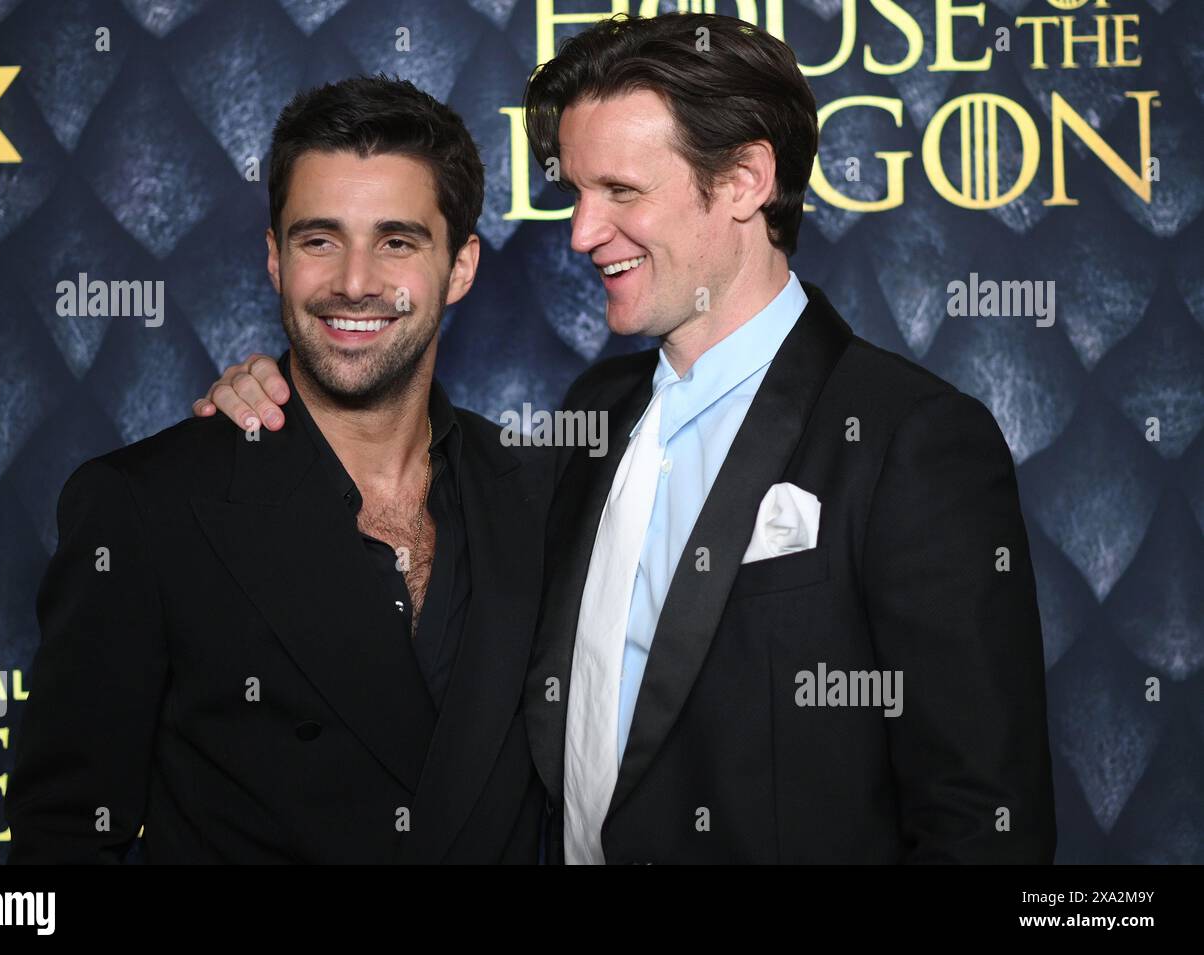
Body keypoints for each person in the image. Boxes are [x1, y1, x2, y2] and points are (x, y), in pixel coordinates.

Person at [196, 14, 1056, 864]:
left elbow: (983, 823)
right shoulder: (593, 418)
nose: (580, 233)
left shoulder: (910, 440)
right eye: (575, 193)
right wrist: (281, 396)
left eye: (621, 192)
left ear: (747, 179)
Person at [6, 76, 550, 863]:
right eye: (318, 239)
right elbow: (61, 842)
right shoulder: (147, 507)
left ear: (460, 266)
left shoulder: (544, 496)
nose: (354, 281)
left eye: (396, 240)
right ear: (273, 258)